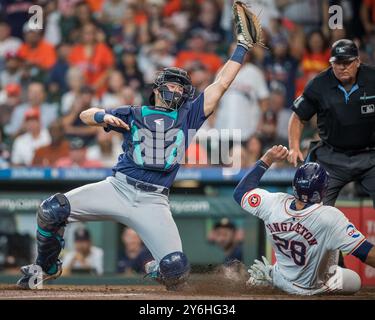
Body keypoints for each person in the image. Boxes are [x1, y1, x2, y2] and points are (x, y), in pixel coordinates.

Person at [17, 3, 258, 290]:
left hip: (154, 200)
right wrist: (101, 116)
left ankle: (155, 268)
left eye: (182, 88)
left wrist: (242, 46)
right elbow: (84, 115)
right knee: (51, 210)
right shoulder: (134, 112)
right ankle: (47, 266)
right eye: (173, 85)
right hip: (117, 187)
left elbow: (221, 83)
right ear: (157, 89)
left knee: (176, 271)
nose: (178, 91)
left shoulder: (189, 115)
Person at [233, 145, 375, 295]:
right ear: (322, 191)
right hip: (310, 289)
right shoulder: (330, 217)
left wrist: (267, 159)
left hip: (281, 278)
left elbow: (241, 192)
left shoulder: (273, 203)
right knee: (354, 281)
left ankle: (270, 276)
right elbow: (367, 253)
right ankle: (274, 276)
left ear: (295, 186)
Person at [288, 39, 375, 208]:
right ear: (331, 63)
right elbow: (298, 116)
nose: (343, 67)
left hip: (371, 156)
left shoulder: (373, 78)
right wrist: (294, 146)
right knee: (313, 210)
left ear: (358, 62)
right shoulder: (319, 84)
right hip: (332, 157)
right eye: (337, 63)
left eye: (347, 62)